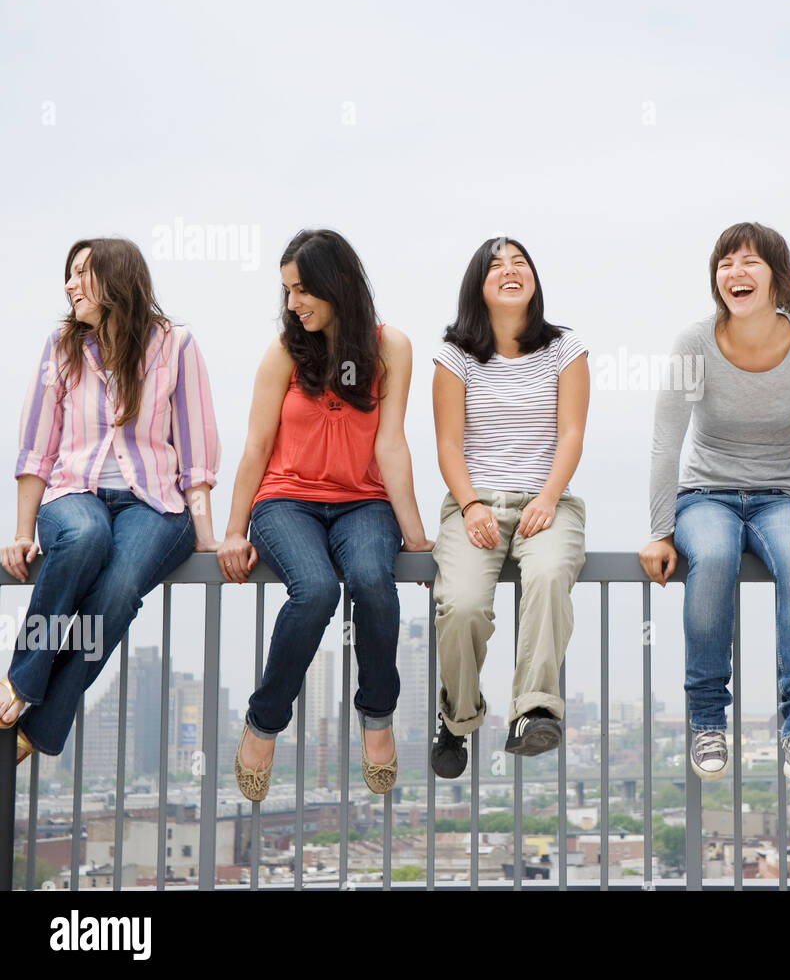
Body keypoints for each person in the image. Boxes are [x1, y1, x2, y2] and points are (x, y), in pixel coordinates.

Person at [218, 230, 431, 801]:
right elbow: (256, 447)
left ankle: (377, 715)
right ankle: (265, 723)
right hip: (286, 501)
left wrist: (415, 536)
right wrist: (233, 531)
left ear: (336, 284)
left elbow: (391, 444)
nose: (292, 304)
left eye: (302, 290)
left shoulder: (392, 348)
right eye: (286, 292)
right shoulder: (284, 351)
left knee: (372, 582)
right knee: (314, 590)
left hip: (363, 502)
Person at [640, 222, 790, 785]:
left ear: (778, 278)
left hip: (782, 496)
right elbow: (667, 440)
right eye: (726, 262)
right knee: (712, 560)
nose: (736, 272)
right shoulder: (695, 342)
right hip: (705, 495)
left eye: (751, 262)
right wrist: (661, 529)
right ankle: (707, 720)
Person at [1, 239, 220, 762]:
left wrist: (207, 535)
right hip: (75, 493)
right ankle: (22, 680)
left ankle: (42, 726)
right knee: (85, 537)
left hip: (155, 504)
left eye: (81, 273)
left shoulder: (176, 345)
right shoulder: (62, 345)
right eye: (68, 275)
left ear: (115, 279)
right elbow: (37, 448)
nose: (70, 285)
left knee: (119, 589)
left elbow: (196, 454)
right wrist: (22, 532)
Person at [428, 237, 589, 780]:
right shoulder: (454, 356)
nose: (510, 270)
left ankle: (535, 710)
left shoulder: (565, 348)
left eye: (520, 262)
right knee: (464, 605)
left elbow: (571, 434)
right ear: (479, 285)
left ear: (534, 280)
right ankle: (457, 718)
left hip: (549, 501)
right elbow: (449, 444)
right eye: (496, 265)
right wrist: (471, 505)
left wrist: (546, 498)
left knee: (546, 576)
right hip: (475, 504)